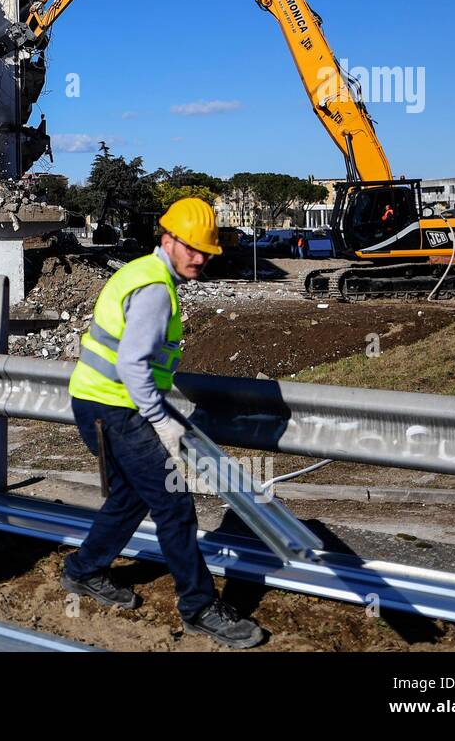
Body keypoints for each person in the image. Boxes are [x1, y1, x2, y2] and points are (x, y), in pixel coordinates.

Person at [61, 197, 266, 649]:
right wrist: (161, 419)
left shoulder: (142, 273)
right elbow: (133, 364)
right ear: (167, 239)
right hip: (113, 408)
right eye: (191, 248)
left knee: (133, 497)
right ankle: (198, 607)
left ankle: (82, 570)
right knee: (173, 504)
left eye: (206, 250)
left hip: (101, 403)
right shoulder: (154, 288)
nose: (199, 258)